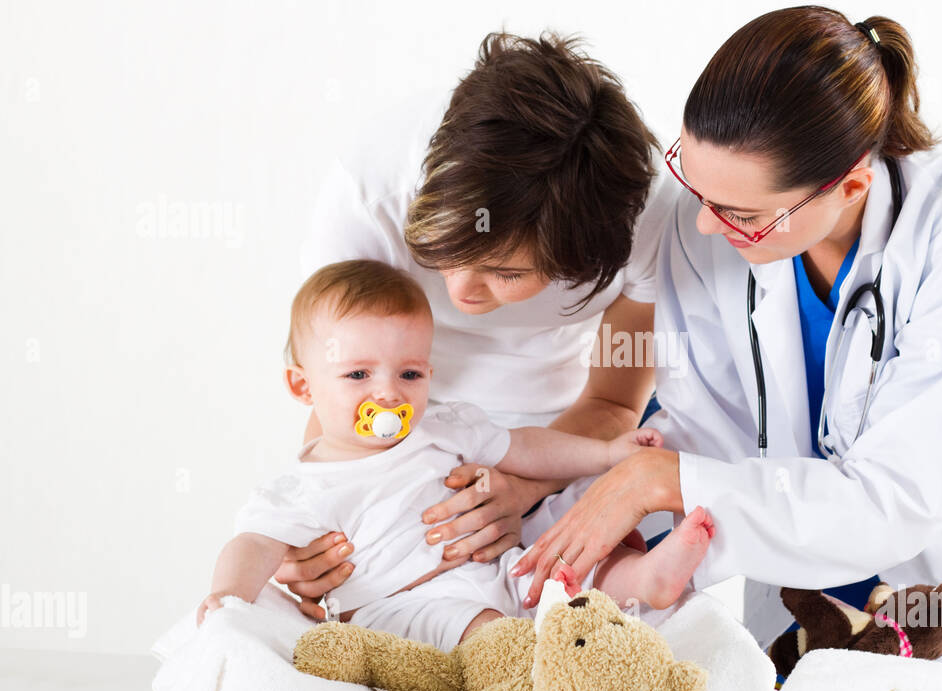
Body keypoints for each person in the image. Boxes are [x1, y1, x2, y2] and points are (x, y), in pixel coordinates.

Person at [518, 6, 942, 691]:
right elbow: (704, 436)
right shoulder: (713, 215)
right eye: (691, 180)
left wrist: (659, 481)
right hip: (803, 627)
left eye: (744, 215)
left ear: (849, 188)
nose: (703, 225)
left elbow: (893, 500)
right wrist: (546, 513)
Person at [277, 31, 677, 618]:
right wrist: (321, 523)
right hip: (400, 437)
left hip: (570, 433)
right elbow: (342, 381)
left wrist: (525, 489)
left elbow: (615, 399)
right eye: (444, 249)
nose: (458, 290)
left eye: (505, 273)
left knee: (588, 581)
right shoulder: (375, 191)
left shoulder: (650, 221)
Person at [197, 260, 715, 651]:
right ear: (301, 386)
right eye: (358, 375)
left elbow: (527, 448)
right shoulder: (301, 487)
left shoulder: (442, 426)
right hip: (405, 605)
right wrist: (228, 595)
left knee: (569, 564)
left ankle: (646, 580)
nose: (388, 394)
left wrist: (604, 453)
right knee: (485, 635)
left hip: (497, 564)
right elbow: (253, 545)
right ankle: (539, 662)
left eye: (410, 374)